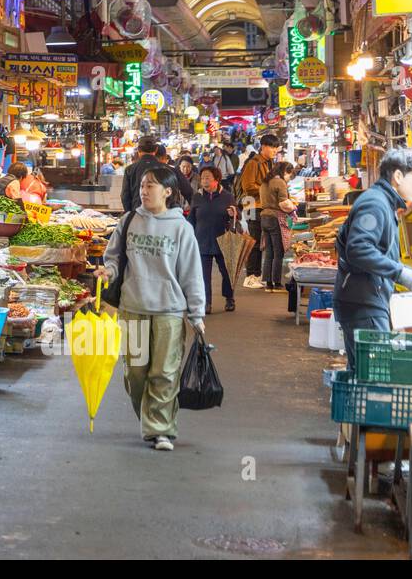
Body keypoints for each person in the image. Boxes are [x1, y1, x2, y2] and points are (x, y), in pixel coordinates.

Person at [95, 164, 206, 451]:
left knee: (165, 372)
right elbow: (114, 257)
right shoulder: (130, 220)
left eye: (151, 186)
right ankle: (149, 418)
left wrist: (196, 314)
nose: (144, 191)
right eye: (143, 185)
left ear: (168, 192)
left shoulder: (181, 227)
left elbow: (191, 273)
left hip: (169, 310)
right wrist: (108, 271)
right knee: (135, 373)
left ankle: (160, 430)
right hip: (133, 306)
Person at [333, 149, 412, 368]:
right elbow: (358, 249)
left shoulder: (385, 203)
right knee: (374, 375)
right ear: (397, 176)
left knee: (365, 374)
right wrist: (401, 274)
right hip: (363, 302)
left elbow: (383, 255)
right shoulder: (375, 204)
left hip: (367, 298)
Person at [189, 166, 238, 313]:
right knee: (203, 275)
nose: (204, 181)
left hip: (222, 239)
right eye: (202, 178)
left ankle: (229, 298)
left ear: (216, 180)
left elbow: (238, 215)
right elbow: (191, 218)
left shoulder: (227, 196)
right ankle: (206, 303)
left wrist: (233, 213)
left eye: (208, 177)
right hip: (202, 240)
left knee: (227, 272)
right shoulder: (197, 197)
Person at [236, 132, 280, 286]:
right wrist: (267, 189)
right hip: (253, 206)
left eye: (276, 148)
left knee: (261, 242)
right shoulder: (254, 162)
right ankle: (250, 276)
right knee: (254, 241)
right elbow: (247, 186)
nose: (275, 150)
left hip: (264, 206)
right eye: (272, 147)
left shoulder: (270, 163)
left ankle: (257, 274)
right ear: (263, 147)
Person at [257, 161, 297, 292]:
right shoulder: (279, 182)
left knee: (269, 252)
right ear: (285, 171)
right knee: (278, 252)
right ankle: (277, 283)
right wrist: (293, 206)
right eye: (289, 175)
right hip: (275, 218)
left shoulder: (265, 182)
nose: (288, 178)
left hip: (264, 217)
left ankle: (268, 284)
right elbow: (284, 203)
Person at [121, 136, 163, 212]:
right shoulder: (165, 168)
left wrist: (130, 214)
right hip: (160, 215)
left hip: (137, 213)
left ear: (138, 150)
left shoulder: (130, 169)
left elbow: (125, 196)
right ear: (156, 149)